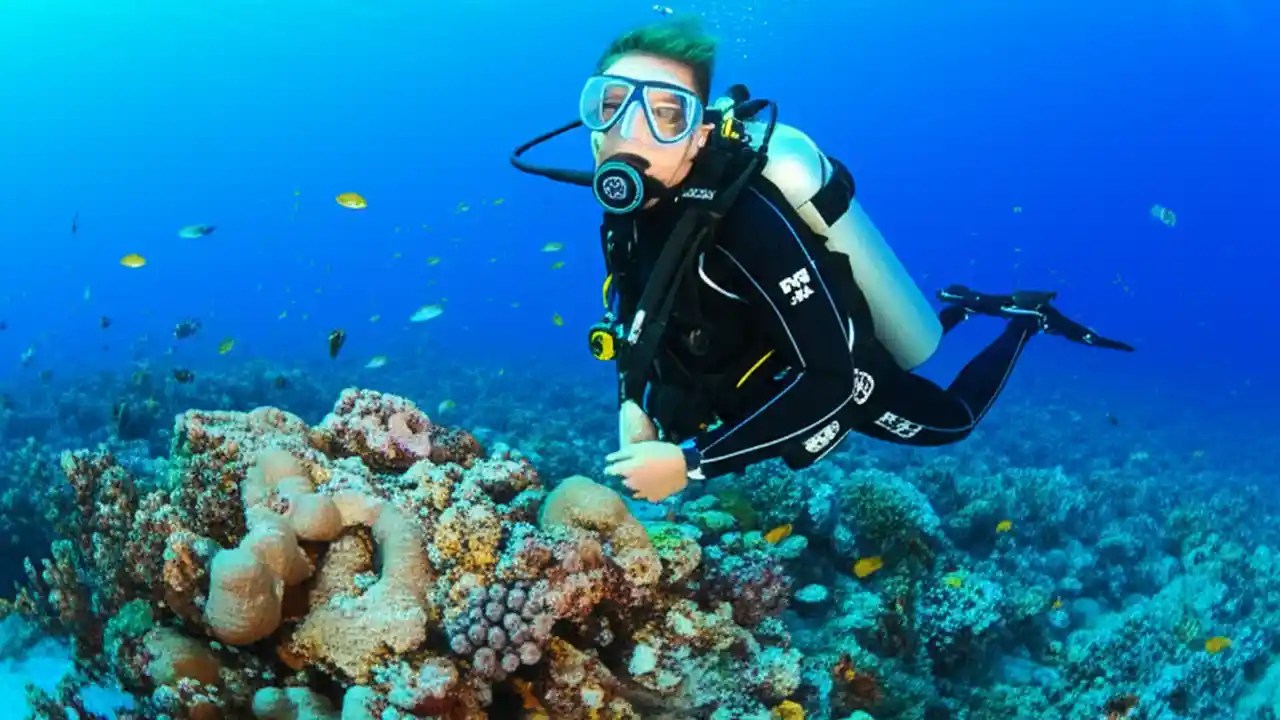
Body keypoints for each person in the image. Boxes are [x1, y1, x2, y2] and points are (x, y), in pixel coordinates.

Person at [510, 20, 1132, 503]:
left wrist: (694, 464)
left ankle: (1025, 320)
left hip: (837, 369)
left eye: (667, 114)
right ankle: (963, 306)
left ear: (699, 136)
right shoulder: (628, 208)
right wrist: (631, 399)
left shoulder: (748, 225)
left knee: (953, 423)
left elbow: (830, 380)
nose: (631, 130)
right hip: (761, 365)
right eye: (611, 104)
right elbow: (632, 307)